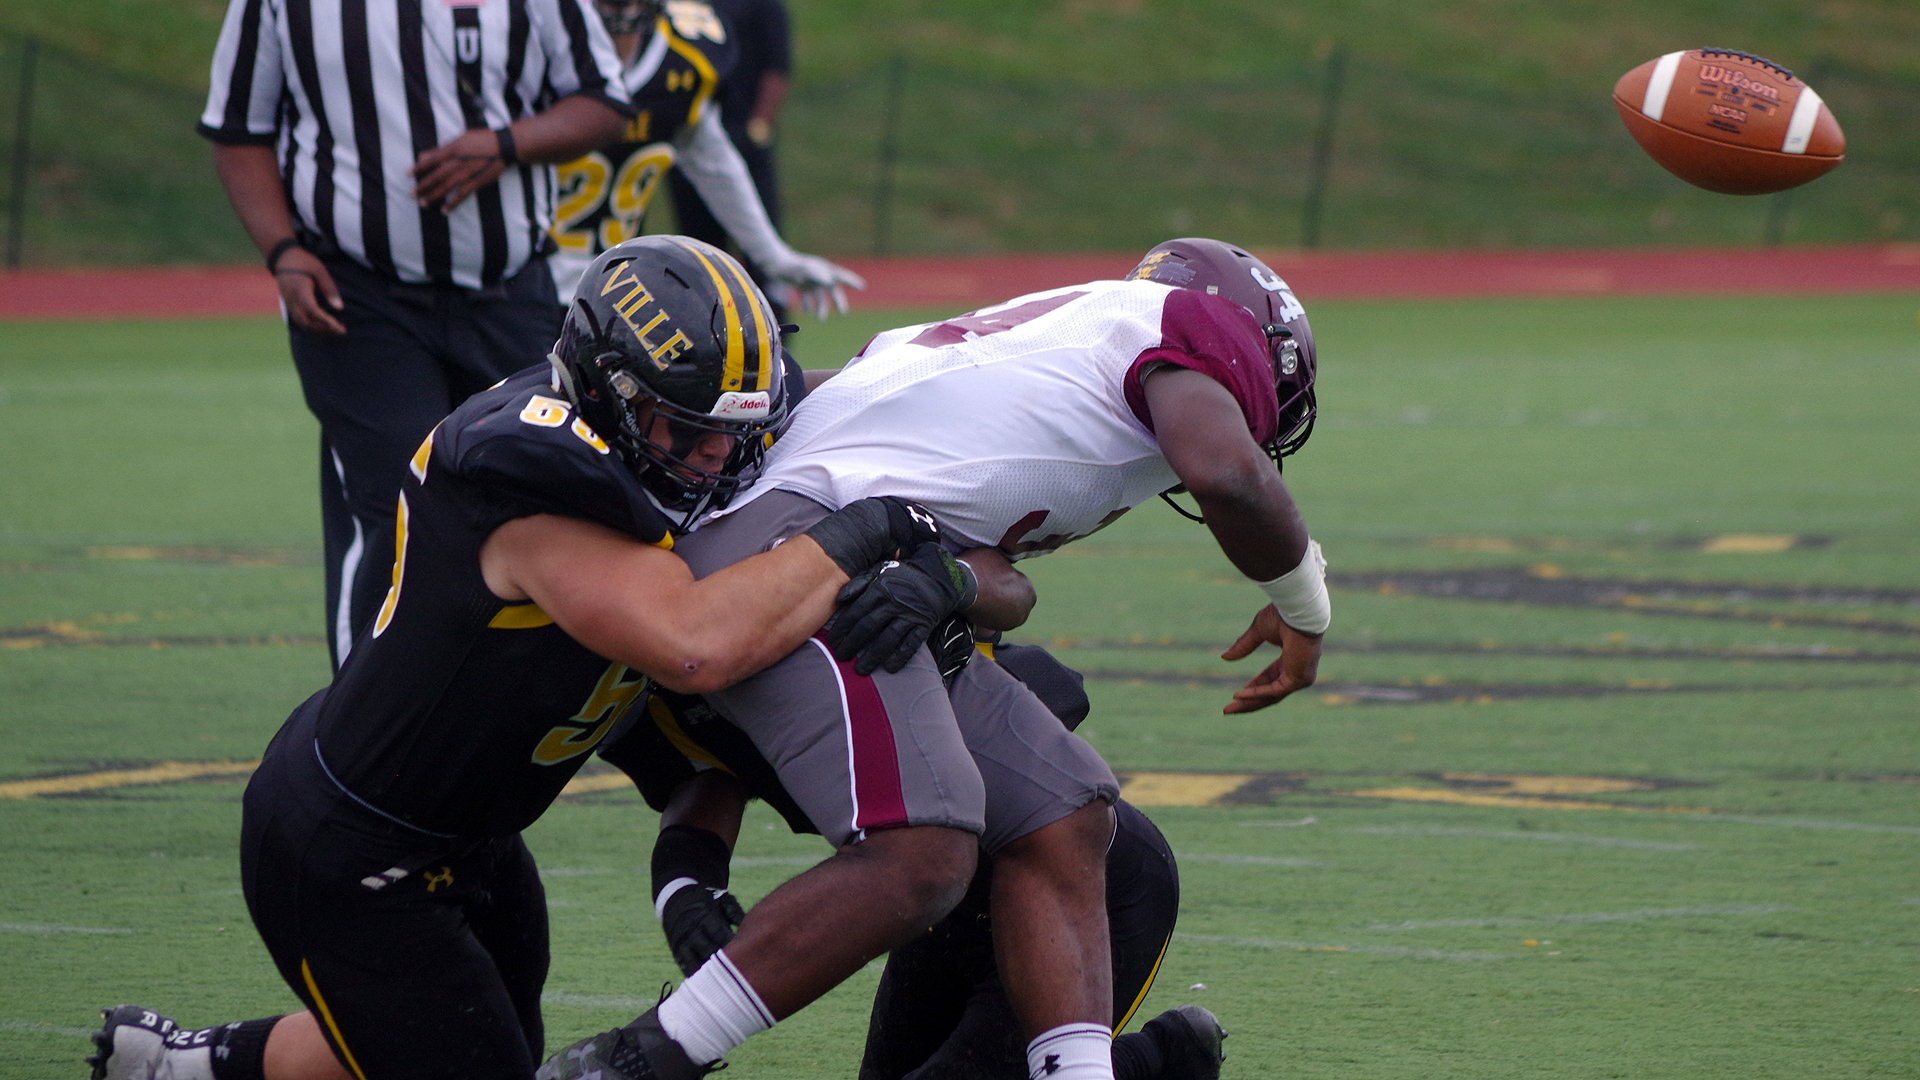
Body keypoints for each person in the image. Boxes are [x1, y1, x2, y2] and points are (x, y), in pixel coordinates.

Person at [83, 237, 987, 1080]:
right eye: (685, 430)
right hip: (354, 851)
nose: (717, 457)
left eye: (732, 429)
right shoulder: (529, 477)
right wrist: (868, 528)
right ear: (608, 388)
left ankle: (188, 1064)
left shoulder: (659, 430)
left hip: (476, 835)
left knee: (465, 1043)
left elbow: (685, 723)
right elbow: (696, 649)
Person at [540, 236, 1328, 1080]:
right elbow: (1229, 475)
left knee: (1066, 808)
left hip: (830, 547)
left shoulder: (1038, 350)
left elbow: (990, 577)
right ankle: (639, 1061)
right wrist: (1303, 601)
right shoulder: (1192, 326)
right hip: (800, 550)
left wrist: (943, 577)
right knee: (925, 845)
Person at [197, 0, 636, 668]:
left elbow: (605, 103)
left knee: (541, 495)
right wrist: (282, 251)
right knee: (397, 500)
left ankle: (495, 717)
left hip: (509, 290)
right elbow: (238, 130)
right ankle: (358, 727)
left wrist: (507, 143)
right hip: (358, 296)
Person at [604, 639, 1229, 1080]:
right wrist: (686, 888)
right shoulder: (663, 677)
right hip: (938, 901)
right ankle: (1157, 1061)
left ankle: (1156, 1059)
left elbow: (1047, 681)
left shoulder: (819, 622)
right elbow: (706, 774)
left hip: (1080, 888)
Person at [547, 0, 859, 318]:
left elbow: (714, 163)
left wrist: (774, 256)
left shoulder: (684, 58)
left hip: (614, 291)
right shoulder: (528, 46)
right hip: (524, 288)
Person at [663, 0, 792, 311]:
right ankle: (706, 335)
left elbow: (778, 66)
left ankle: (774, 331)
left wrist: (758, 126)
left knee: (761, 249)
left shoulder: (762, 6)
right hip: (688, 134)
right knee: (698, 256)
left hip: (742, 136)